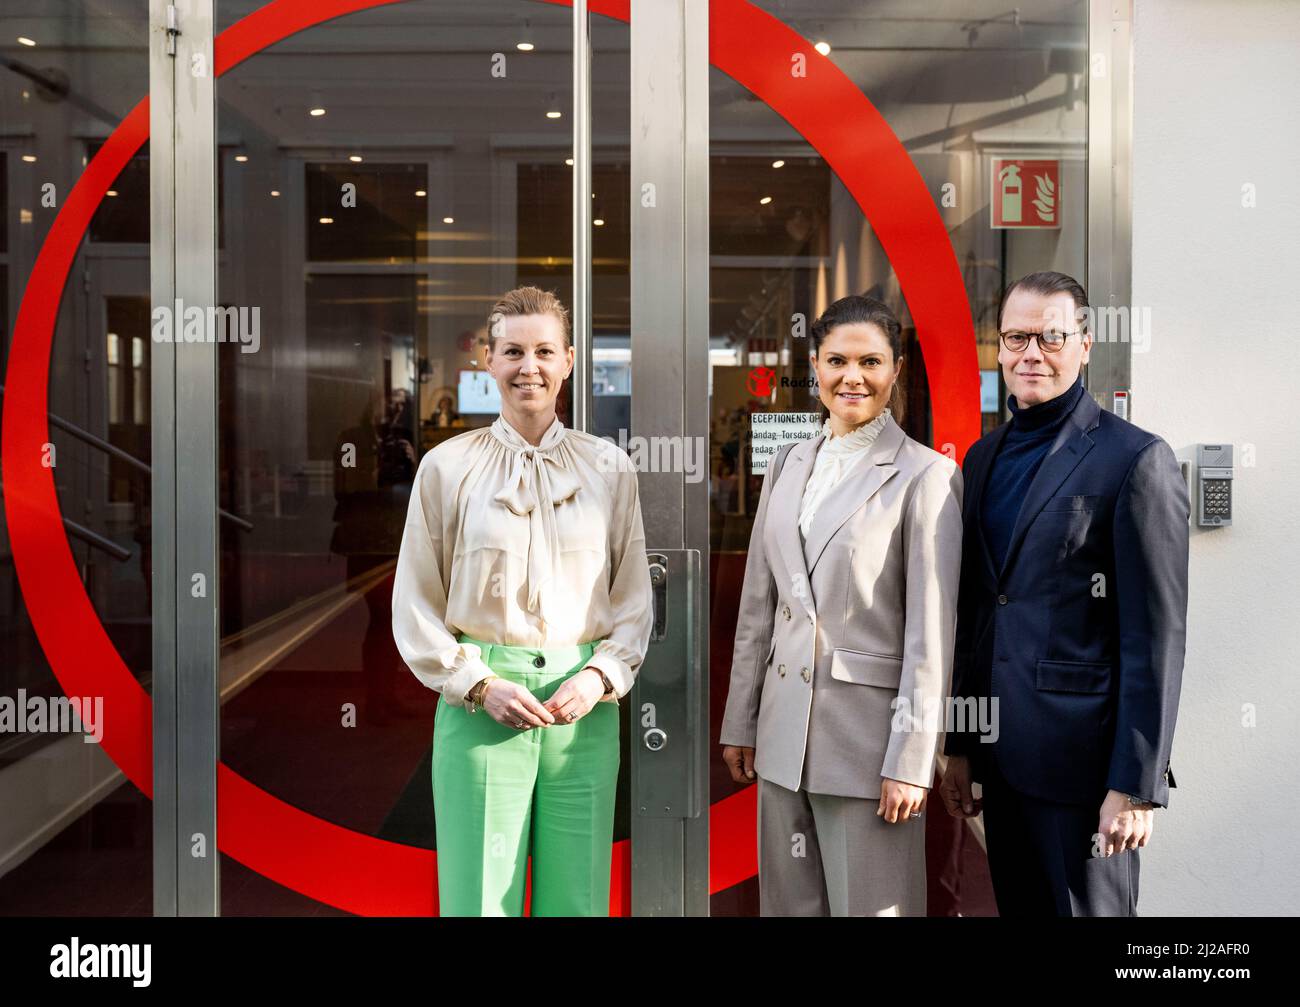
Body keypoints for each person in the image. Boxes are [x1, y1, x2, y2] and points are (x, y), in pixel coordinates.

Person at [392, 285, 654, 916]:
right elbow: (416, 600)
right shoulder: (445, 468)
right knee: (479, 896)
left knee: (579, 896)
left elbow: (634, 598)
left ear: (568, 360)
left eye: (543, 351)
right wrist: (479, 684)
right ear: (490, 360)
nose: (527, 367)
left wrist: (601, 676)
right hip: (481, 702)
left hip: (582, 708)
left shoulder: (611, 468)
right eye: (512, 351)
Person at [938, 271, 1188, 917]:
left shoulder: (1135, 458)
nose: (1031, 353)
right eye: (1016, 337)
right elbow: (976, 611)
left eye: (1050, 337)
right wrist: (960, 743)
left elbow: (1155, 635)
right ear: (998, 348)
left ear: (1084, 343)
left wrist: (1134, 785)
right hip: (1002, 757)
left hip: (1085, 765)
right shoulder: (983, 458)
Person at [719, 294, 963, 916]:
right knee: (789, 908)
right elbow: (759, 607)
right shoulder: (787, 463)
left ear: (896, 370)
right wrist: (741, 722)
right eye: (837, 361)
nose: (852, 377)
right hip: (781, 735)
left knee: (871, 909)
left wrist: (912, 758)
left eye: (870, 362)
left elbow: (931, 635)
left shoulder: (923, 475)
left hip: (866, 743)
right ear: (816, 367)